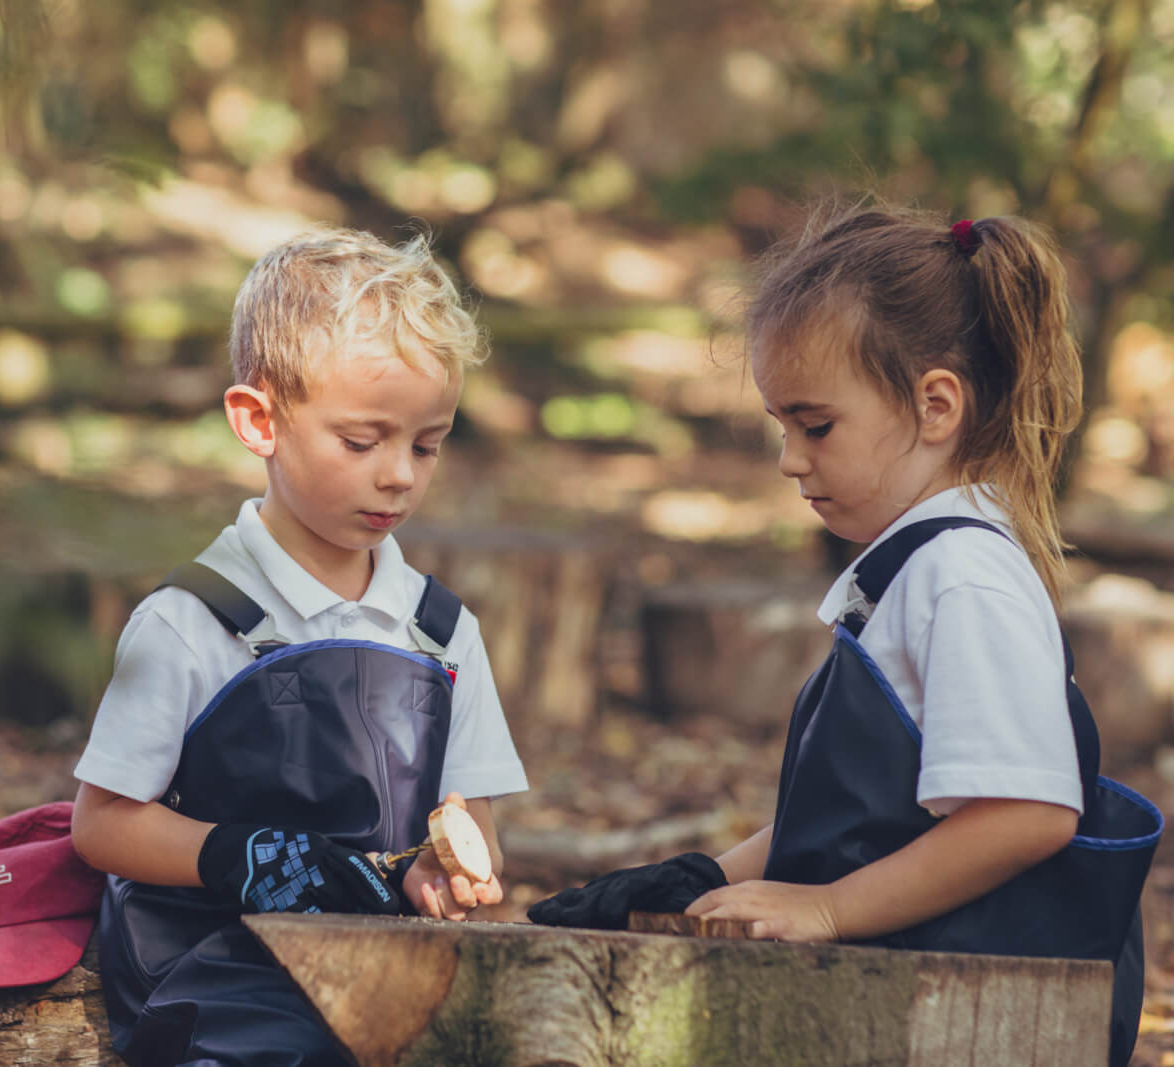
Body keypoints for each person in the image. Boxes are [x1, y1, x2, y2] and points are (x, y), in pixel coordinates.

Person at [528, 205, 1161, 1067]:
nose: (790, 458)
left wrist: (826, 909)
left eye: (815, 425)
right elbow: (868, 819)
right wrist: (712, 877)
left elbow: (1025, 813)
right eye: (781, 427)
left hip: (970, 1022)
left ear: (936, 406)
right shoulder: (908, 577)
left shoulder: (963, 578)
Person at [70, 228, 529, 1067]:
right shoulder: (189, 620)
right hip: (216, 978)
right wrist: (231, 851)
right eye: (363, 441)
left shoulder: (440, 630)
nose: (399, 474)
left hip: (386, 974)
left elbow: (478, 828)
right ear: (258, 421)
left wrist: (444, 871)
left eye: (427, 444)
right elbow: (100, 824)